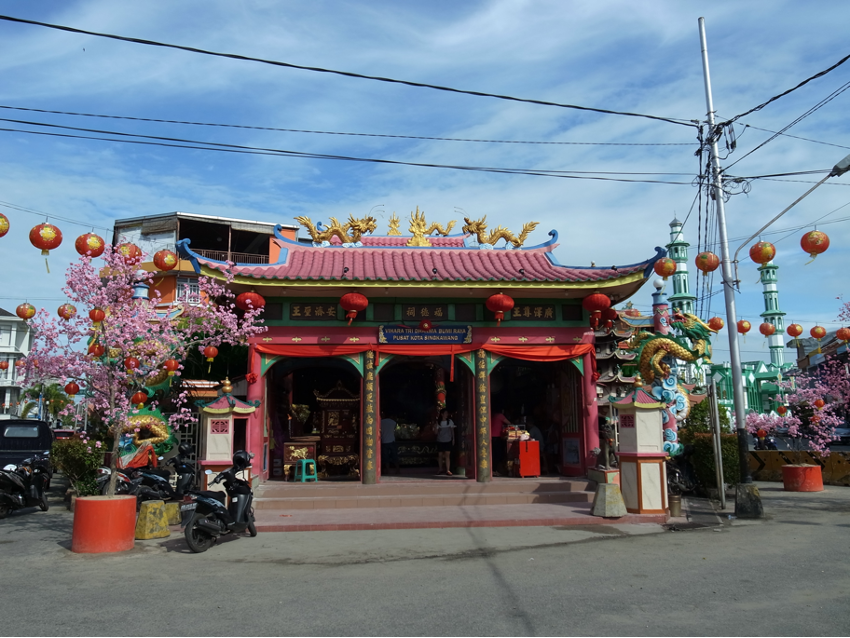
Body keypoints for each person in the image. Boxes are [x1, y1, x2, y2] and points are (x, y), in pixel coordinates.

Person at [433, 408, 456, 476]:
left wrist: (453, 439)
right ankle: (440, 469)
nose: (446, 414)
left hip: (448, 440)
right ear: (442, 414)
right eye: (445, 413)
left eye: (447, 413)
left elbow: (452, 431)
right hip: (440, 440)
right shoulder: (439, 422)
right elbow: (436, 433)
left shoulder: (450, 421)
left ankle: (448, 470)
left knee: (447, 455)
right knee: (440, 455)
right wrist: (435, 427)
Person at [491, 407, 510, 476]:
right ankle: (494, 470)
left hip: (490, 437)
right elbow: (509, 423)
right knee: (498, 454)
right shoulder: (500, 416)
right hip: (497, 437)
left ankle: (492, 469)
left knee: (493, 454)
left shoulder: (492, 415)